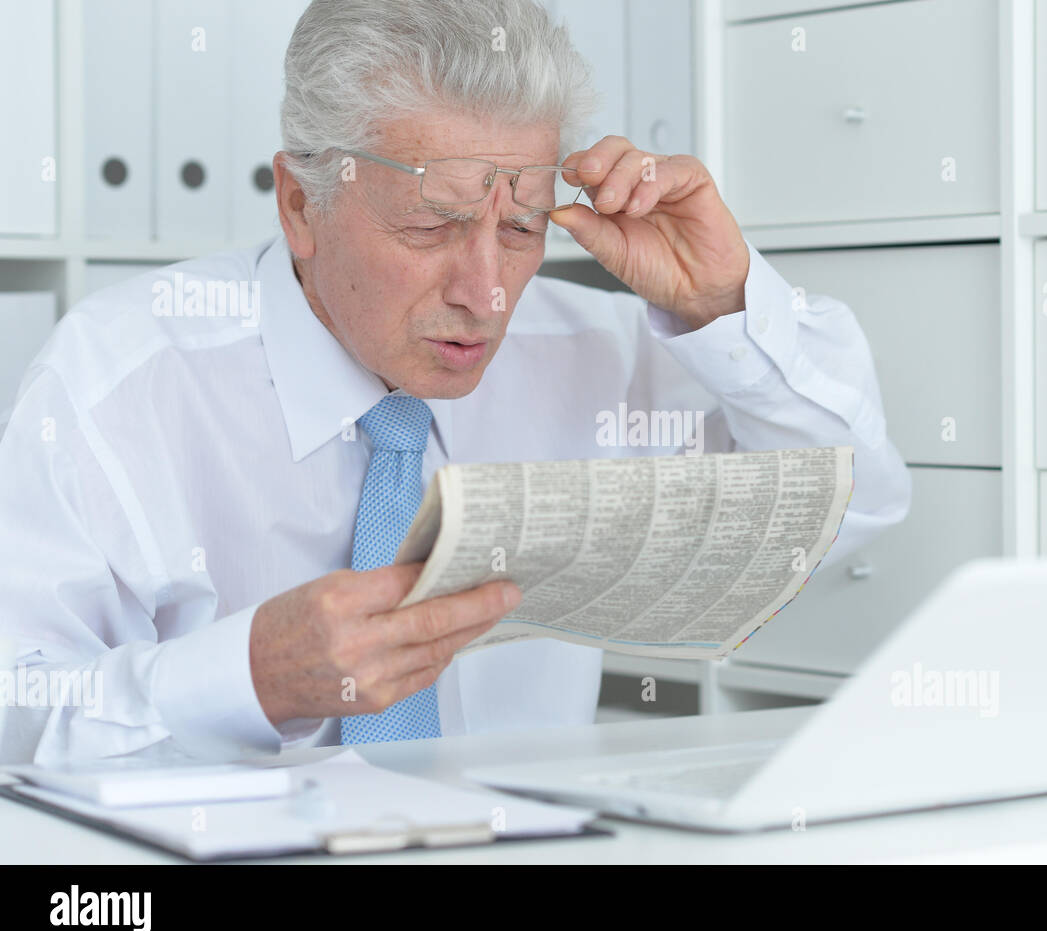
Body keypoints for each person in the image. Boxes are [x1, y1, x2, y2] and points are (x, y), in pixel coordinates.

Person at [0, 0, 909, 764]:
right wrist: (245, 678)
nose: (488, 294)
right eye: (432, 226)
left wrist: (724, 306)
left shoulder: (594, 349)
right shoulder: (117, 383)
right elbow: (16, 710)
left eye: (521, 229)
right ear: (299, 204)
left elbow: (848, 505)